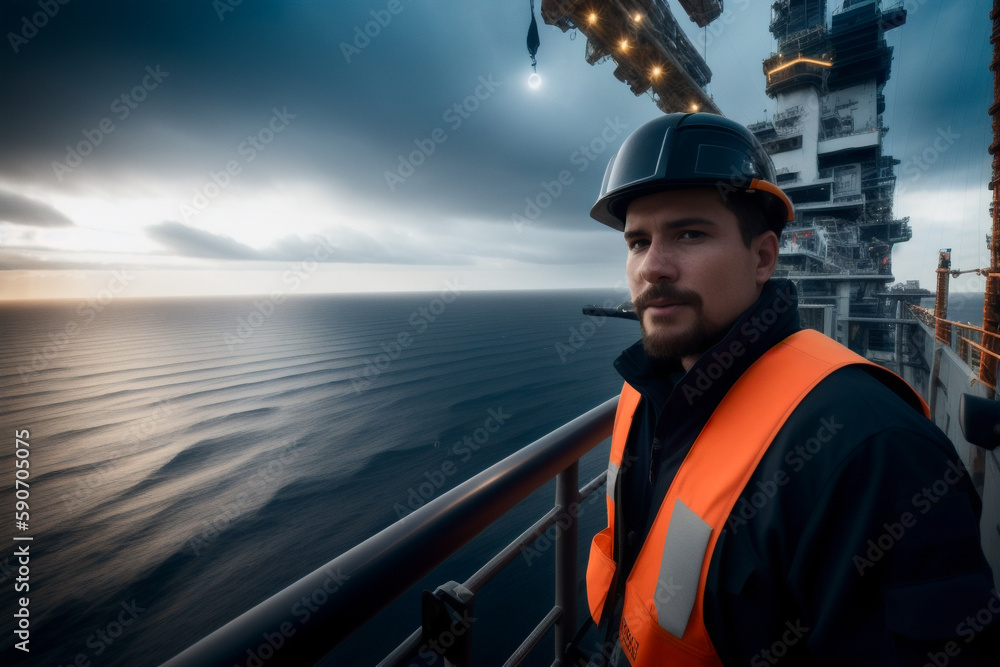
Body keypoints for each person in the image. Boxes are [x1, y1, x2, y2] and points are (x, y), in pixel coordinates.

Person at [582, 113, 998, 666]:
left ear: (763, 259)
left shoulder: (876, 448)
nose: (652, 267)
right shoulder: (648, 390)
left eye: (689, 234)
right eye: (638, 242)